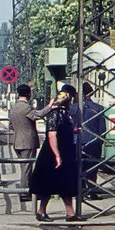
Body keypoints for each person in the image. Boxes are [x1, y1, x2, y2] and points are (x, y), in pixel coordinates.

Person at [28, 84, 81, 222]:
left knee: (65, 183)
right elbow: (52, 135)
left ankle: (70, 213)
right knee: (49, 184)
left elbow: (62, 131)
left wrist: (74, 131)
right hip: (52, 154)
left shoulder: (64, 113)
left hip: (64, 152)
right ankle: (42, 211)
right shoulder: (55, 113)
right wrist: (57, 156)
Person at [7, 84, 52, 189]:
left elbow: (10, 125)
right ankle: (25, 191)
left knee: (24, 167)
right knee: (27, 168)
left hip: (17, 141)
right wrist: (50, 106)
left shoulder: (13, 108)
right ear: (29, 94)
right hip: (27, 142)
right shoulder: (27, 108)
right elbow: (39, 115)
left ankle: (29, 188)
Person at [76, 82, 106, 186]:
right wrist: (100, 141)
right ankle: (92, 189)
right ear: (91, 93)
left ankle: (81, 189)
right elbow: (102, 129)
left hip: (78, 141)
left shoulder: (74, 108)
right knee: (93, 167)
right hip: (94, 141)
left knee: (80, 166)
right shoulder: (98, 108)